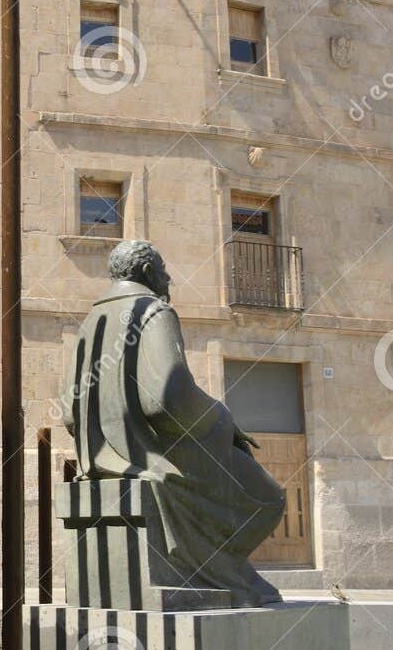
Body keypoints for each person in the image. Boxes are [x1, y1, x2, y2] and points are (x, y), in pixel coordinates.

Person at [60, 239, 284, 607]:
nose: (168, 278)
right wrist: (224, 419)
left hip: (103, 465)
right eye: (163, 270)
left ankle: (220, 571)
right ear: (148, 272)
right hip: (160, 461)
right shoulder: (153, 311)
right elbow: (169, 400)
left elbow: (69, 412)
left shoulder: (88, 324)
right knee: (269, 497)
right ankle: (222, 574)